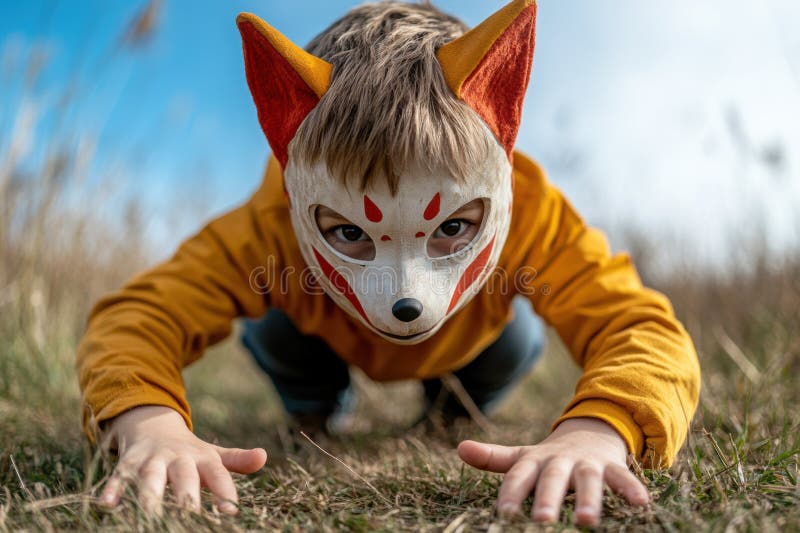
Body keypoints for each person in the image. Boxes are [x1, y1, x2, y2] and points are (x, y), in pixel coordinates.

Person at [76, 0, 701, 526]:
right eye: (349, 230)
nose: (406, 289)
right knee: (269, 326)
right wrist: (148, 422)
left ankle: (451, 409)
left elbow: (640, 326)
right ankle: (316, 405)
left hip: (470, 345)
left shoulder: (532, 209)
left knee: (519, 339)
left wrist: (601, 429)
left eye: (452, 227)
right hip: (324, 336)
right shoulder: (267, 225)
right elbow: (140, 315)